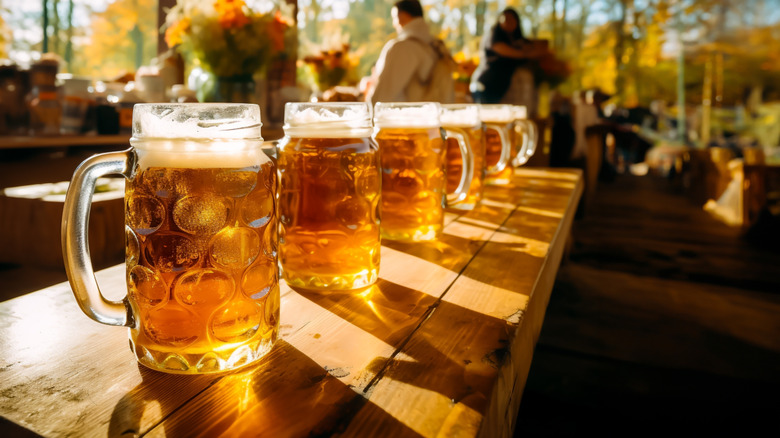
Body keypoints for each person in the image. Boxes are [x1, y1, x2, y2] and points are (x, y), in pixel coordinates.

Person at [366, 0, 449, 104]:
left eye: (394, 18)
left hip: (408, 118)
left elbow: (381, 99)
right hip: (435, 116)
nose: (393, 24)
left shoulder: (402, 48)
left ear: (402, 16)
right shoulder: (438, 47)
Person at [471, 8, 543, 105]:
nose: (508, 21)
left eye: (511, 19)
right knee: (486, 116)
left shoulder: (516, 39)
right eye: (505, 18)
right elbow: (501, 49)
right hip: (484, 85)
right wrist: (525, 54)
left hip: (499, 89)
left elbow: (538, 49)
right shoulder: (494, 34)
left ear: (517, 21)